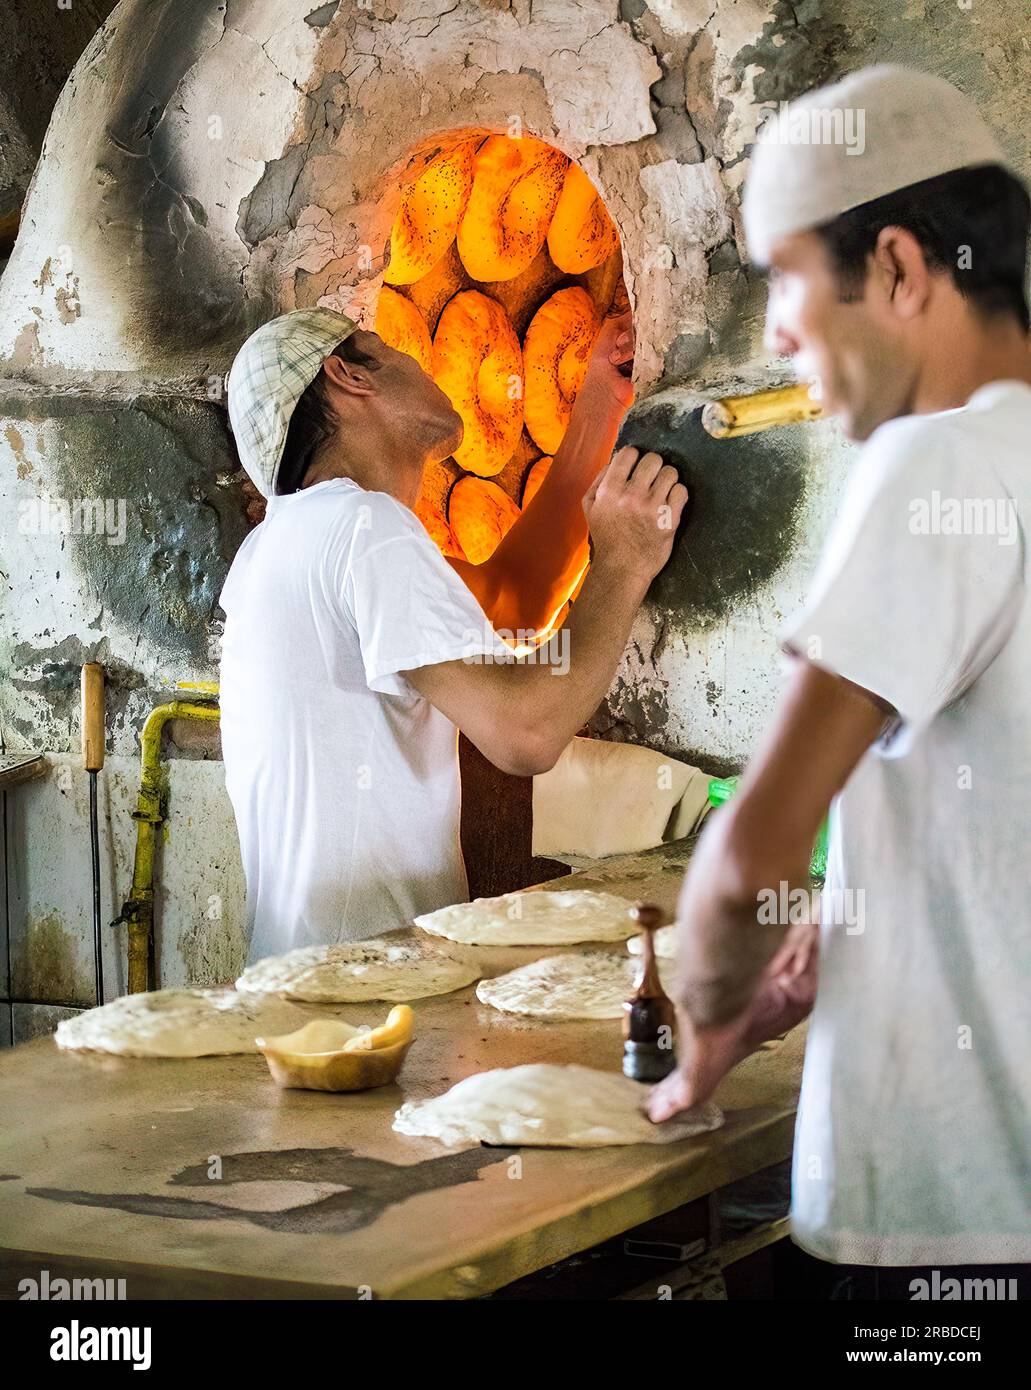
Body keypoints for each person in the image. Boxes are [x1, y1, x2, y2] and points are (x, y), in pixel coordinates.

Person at [649, 65, 1031, 1286]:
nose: (771, 330)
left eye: (784, 276)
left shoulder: (934, 461)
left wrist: (707, 1012)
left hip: (937, 1219)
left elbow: (747, 854)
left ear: (903, 270)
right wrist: (847, 921)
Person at [220, 297, 686, 963]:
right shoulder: (365, 529)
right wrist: (624, 562)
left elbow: (513, 600)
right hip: (371, 978)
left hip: (302, 968)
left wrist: (599, 406)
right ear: (352, 376)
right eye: (392, 350)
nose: (420, 364)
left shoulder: (285, 545)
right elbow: (524, 734)